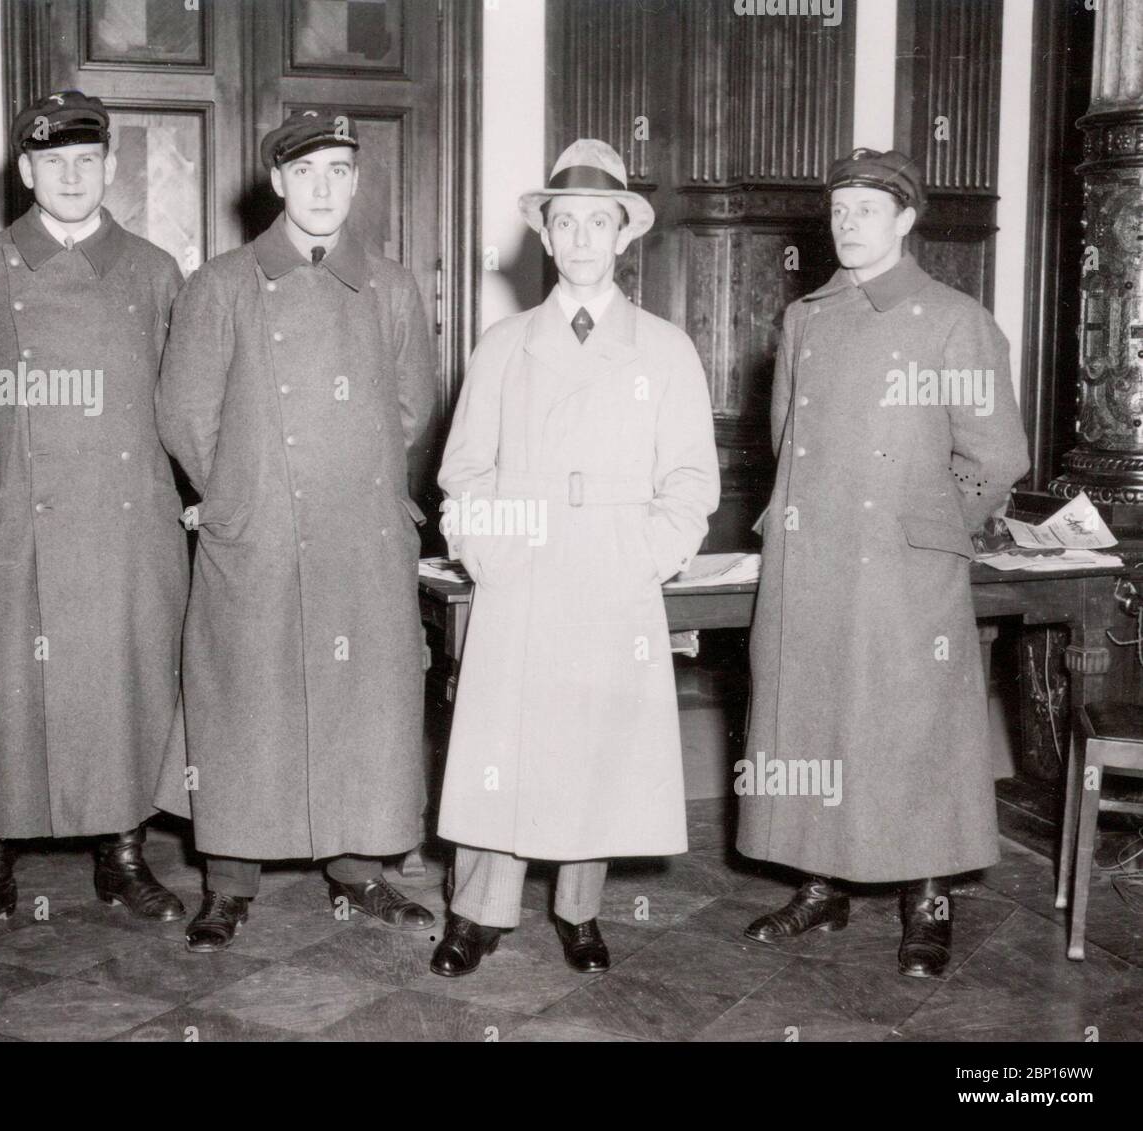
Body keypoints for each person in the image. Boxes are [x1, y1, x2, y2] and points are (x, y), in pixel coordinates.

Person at [737, 148, 1031, 978]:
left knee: (913, 727)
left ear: (906, 220)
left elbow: (998, 453)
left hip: (905, 566)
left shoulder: (952, 318)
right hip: (811, 554)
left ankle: (927, 899)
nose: (848, 222)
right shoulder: (807, 318)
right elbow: (785, 437)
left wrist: (931, 526)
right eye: (839, 208)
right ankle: (819, 883)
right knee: (812, 715)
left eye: (867, 208)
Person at [430, 139, 720, 976]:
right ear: (546, 239)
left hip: (612, 578)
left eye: (601, 221)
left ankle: (581, 909)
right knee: (501, 748)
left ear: (624, 234)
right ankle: (475, 910)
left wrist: (645, 555)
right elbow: (464, 471)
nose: (584, 238)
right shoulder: (503, 344)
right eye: (568, 223)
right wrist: (487, 550)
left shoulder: (666, 350)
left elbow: (692, 480)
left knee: (595, 747)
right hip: (520, 574)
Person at [153, 111, 439, 951]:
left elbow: (409, 407)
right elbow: (183, 414)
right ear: (276, 182)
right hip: (261, 531)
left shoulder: (389, 286)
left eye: (340, 171)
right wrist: (240, 494)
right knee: (245, 697)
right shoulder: (223, 283)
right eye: (306, 170)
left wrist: (359, 484)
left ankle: (358, 866)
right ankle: (230, 881)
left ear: (357, 183)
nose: (324, 187)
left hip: (360, 532)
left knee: (361, 698)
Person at [0, 90, 190, 947]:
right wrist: (7, 461)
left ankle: (123, 852)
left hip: (125, 525)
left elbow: (181, 399)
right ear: (27, 171)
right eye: (53, 162)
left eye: (87, 160)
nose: (72, 176)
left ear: (110, 169)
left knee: (124, 684)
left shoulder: (153, 270)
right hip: (17, 523)